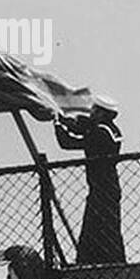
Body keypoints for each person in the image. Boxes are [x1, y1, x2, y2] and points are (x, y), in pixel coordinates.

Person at [54, 96, 126, 265]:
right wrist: (67, 120)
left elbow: (67, 142)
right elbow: (82, 126)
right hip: (106, 185)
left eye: (95, 110)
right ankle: (111, 260)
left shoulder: (100, 133)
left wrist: (57, 123)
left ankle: (93, 261)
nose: (91, 113)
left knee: (96, 227)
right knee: (108, 227)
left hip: (101, 187)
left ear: (102, 114)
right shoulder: (110, 130)